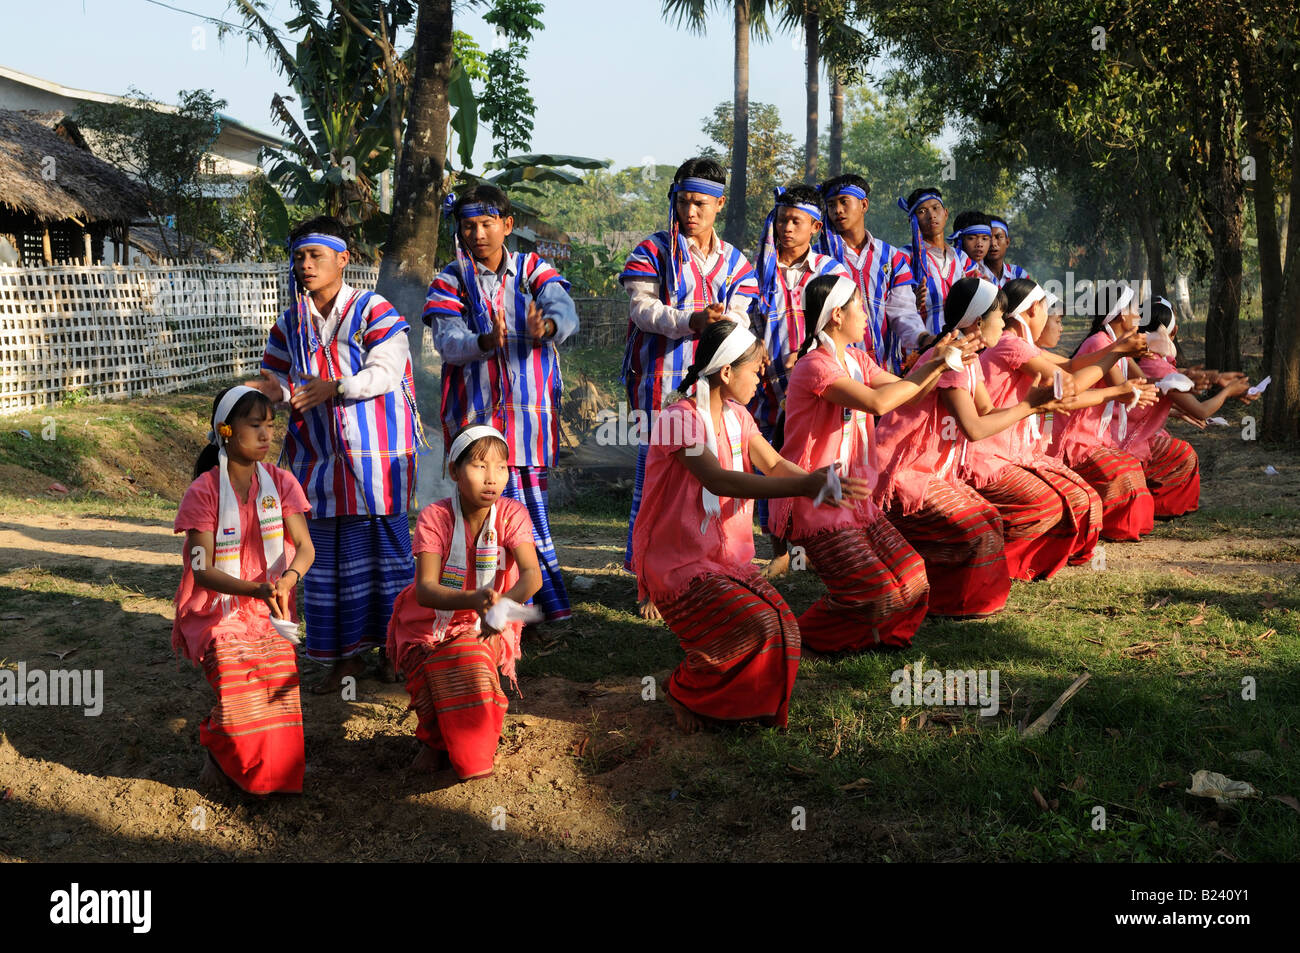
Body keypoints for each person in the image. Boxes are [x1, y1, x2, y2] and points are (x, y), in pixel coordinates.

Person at [632, 320, 862, 733]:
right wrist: (806, 483)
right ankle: (683, 688)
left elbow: (772, 464)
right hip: (678, 565)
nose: (761, 377)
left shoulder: (738, 416)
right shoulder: (676, 418)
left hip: (721, 560)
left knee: (784, 626)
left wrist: (817, 482)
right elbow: (718, 479)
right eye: (755, 369)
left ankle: (745, 709)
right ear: (726, 372)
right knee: (758, 625)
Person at [248, 216, 424, 692]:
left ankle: (397, 654)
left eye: (316, 256)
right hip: (318, 461)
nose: (306, 265)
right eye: (300, 257)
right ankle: (343, 661)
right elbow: (282, 383)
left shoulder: (375, 310)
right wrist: (268, 389)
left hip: (377, 461)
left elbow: (388, 370)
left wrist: (337, 387)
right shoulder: (289, 323)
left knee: (388, 562)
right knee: (327, 566)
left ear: (343, 259)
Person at [773, 274, 962, 651]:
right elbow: (878, 403)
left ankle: (876, 636)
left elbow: (908, 393)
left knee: (913, 577)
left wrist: (942, 360)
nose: (866, 315)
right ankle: (793, 639)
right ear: (836, 316)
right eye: (859, 306)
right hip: (819, 499)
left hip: (856, 496)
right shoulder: (815, 366)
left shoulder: (857, 359)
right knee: (875, 590)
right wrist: (936, 365)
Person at [424, 185, 577, 625]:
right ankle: (480, 610)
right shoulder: (450, 279)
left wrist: (546, 324)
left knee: (528, 522)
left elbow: (566, 313)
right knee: (479, 521)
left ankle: (537, 612)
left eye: (487, 223)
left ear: (507, 226)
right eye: (468, 225)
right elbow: (448, 343)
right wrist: (483, 342)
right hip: (476, 423)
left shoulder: (533, 270)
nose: (477, 233)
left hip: (527, 425)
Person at [620, 157, 759, 619]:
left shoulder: (737, 261)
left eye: (700, 203)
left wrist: (723, 322)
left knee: (704, 481)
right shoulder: (651, 250)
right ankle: (646, 580)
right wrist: (690, 321)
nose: (690, 212)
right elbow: (641, 310)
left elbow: (741, 319)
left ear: (719, 204)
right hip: (659, 384)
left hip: (712, 389)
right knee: (653, 485)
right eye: (682, 202)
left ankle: (707, 563)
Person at [874, 278, 1059, 617]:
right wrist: (1030, 406)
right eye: (999, 318)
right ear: (978, 322)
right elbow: (973, 429)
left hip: (930, 472)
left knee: (991, 521)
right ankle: (931, 591)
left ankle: (935, 587)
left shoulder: (966, 358)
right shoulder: (951, 360)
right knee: (979, 534)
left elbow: (986, 412)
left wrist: (1035, 405)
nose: (1004, 325)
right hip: (904, 477)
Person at [173, 386, 315, 794]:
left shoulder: (282, 482)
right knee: (239, 684)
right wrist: (256, 589)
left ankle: (277, 776)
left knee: (278, 680)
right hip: (219, 612)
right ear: (226, 430)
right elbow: (202, 571)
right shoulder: (204, 491)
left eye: (271, 425)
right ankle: (221, 754)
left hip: (268, 607)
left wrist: (288, 580)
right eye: (255, 425)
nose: (267, 435)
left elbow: (304, 548)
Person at [385, 425, 541, 781]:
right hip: (429, 624)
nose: (492, 478)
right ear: (453, 471)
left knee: (471, 670)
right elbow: (425, 589)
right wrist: (474, 598)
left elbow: (533, 576)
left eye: (501, 467)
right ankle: (434, 738)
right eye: (479, 466)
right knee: (432, 672)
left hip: (488, 621)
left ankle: (469, 745)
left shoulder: (512, 514)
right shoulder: (435, 517)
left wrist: (498, 610)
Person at [973, 279, 1146, 576]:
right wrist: (1115, 357)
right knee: (1061, 504)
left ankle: (1040, 558)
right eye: (1048, 310)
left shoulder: (1022, 345)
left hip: (1015, 450)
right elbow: (1070, 386)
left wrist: (1117, 349)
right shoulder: (1011, 345)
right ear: (1032, 310)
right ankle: (1010, 560)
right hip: (992, 454)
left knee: (1086, 500)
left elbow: (1069, 366)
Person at [747, 184, 849, 575]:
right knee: (768, 467)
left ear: (815, 227)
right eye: (781, 219)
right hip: (761, 384)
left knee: (810, 461)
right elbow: (746, 317)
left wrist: (806, 356)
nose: (786, 228)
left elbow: (841, 324)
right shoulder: (756, 268)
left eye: (796, 221)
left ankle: (816, 548)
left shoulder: (832, 273)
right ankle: (781, 551)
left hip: (813, 384)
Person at [1121, 297, 1255, 517]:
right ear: (1172, 333)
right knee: (1184, 454)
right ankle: (1162, 507)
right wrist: (1228, 391)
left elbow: (1165, 385)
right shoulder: (1158, 366)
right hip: (1130, 440)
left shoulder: (1143, 361)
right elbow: (1201, 411)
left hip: (1127, 432)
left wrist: (1217, 379)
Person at [1047, 283, 1159, 541]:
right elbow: (1120, 388)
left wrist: (1159, 388)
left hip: (1097, 435)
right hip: (1078, 438)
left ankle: (1123, 525)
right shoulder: (1101, 342)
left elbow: (1138, 385)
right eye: (1135, 311)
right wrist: (1145, 393)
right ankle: (1111, 526)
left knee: (1132, 469)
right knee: (1124, 477)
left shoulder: (1116, 344)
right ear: (1121, 313)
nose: (1139, 317)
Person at [817, 173, 921, 375]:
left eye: (844, 202)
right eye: (830, 205)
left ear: (864, 205)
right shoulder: (819, 257)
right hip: (840, 371)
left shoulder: (892, 257)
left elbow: (903, 311)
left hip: (886, 368)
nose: (837, 210)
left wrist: (922, 338)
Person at [896, 187, 979, 359]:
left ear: (946, 213)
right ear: (911, 220)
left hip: (961, 349)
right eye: (922, 211)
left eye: (935, 208)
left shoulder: (962, 259)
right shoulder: (903, 257)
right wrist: (913, 302)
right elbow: (897, 308)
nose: (931, 215)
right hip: (922, 354)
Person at [949, 211, 994, 282]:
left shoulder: (989, 273)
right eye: (971, 238)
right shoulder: (951, 267)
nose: (979, 244)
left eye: (984, 239)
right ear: (959, 240)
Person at [985, 217, 1029, 287]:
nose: (993, 243)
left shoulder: (1018, 274)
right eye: (987, 238)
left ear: (1007, 242)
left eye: (998, 237)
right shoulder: (974, 274)